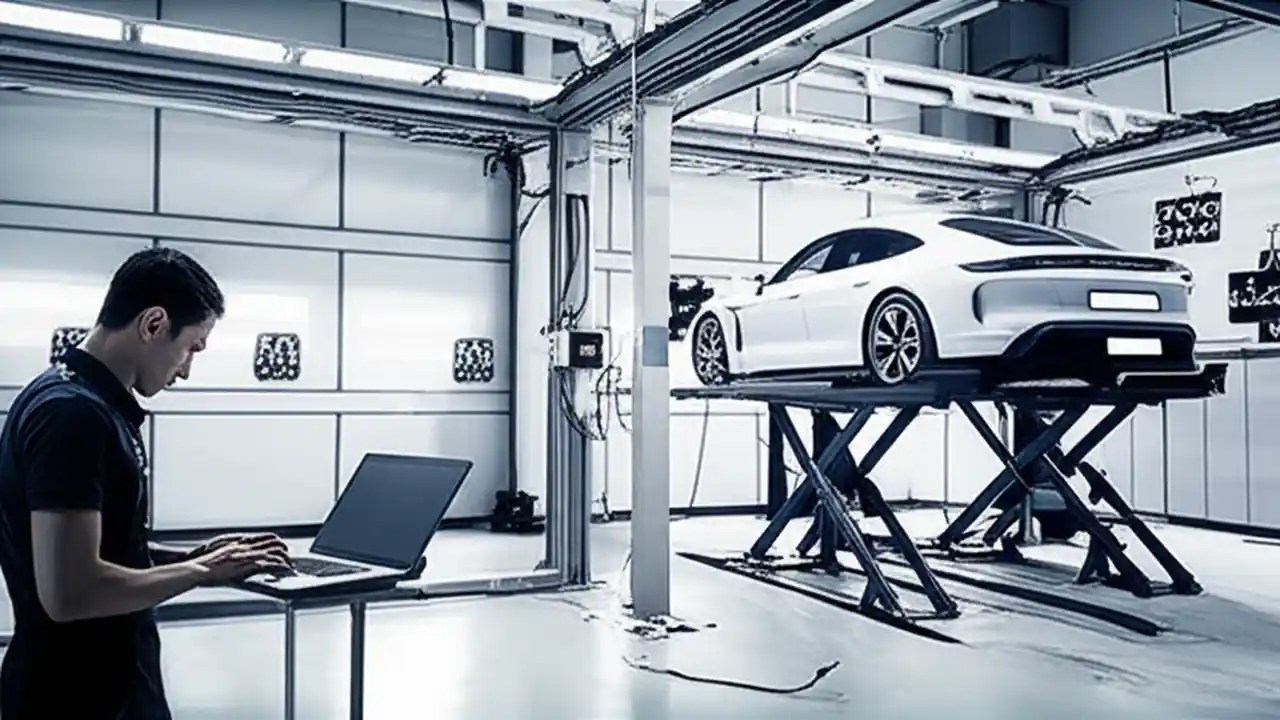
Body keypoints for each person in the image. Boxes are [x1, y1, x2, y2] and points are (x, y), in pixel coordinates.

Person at [0, 247, 293, 719]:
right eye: (191, 347)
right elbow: (70, 592)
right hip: (77, 697)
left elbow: (101, 552)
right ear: (154, 324)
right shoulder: (71, 416)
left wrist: (193, 557)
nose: (187, 368)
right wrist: (203, 573)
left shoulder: (80, 401)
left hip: (104, 685)